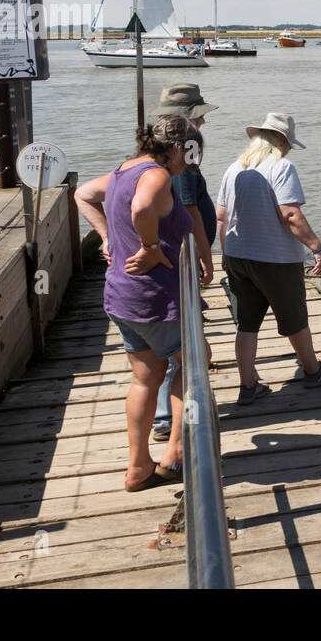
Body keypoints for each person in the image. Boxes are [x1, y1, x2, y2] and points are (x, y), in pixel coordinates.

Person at [73, 116, 199, 492]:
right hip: (154, 297)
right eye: (188, 155)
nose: (187, 165)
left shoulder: (122, 170)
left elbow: (82, 194)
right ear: (175, 148)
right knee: (195, 363)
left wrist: (107, 236)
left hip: (121, 295)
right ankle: (174, 454)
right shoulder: (157, 175)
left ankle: (137, 466)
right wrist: (150, 248)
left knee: (145, 377)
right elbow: (143, 208)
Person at [215, 113, 321, 401]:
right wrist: (316, 247)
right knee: (294, 317)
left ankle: (248, 385)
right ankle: (312, 371)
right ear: (281, 141)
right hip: (275, 258)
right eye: (287, 145)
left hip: (237, 255)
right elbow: (290, 214)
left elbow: (221, 217)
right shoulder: (281, 167)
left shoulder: (234, 167)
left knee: (246, 323)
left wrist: (224, 253)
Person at [149, 84, 216, 442]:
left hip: (168, 259)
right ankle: (169, 421)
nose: (204, 120)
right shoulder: (184, 163)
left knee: (163, 351)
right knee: (182, 348)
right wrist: (206, 259)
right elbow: (191, 214)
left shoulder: (155, 155)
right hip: (180, 260)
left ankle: (164, 417)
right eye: (199, 113)